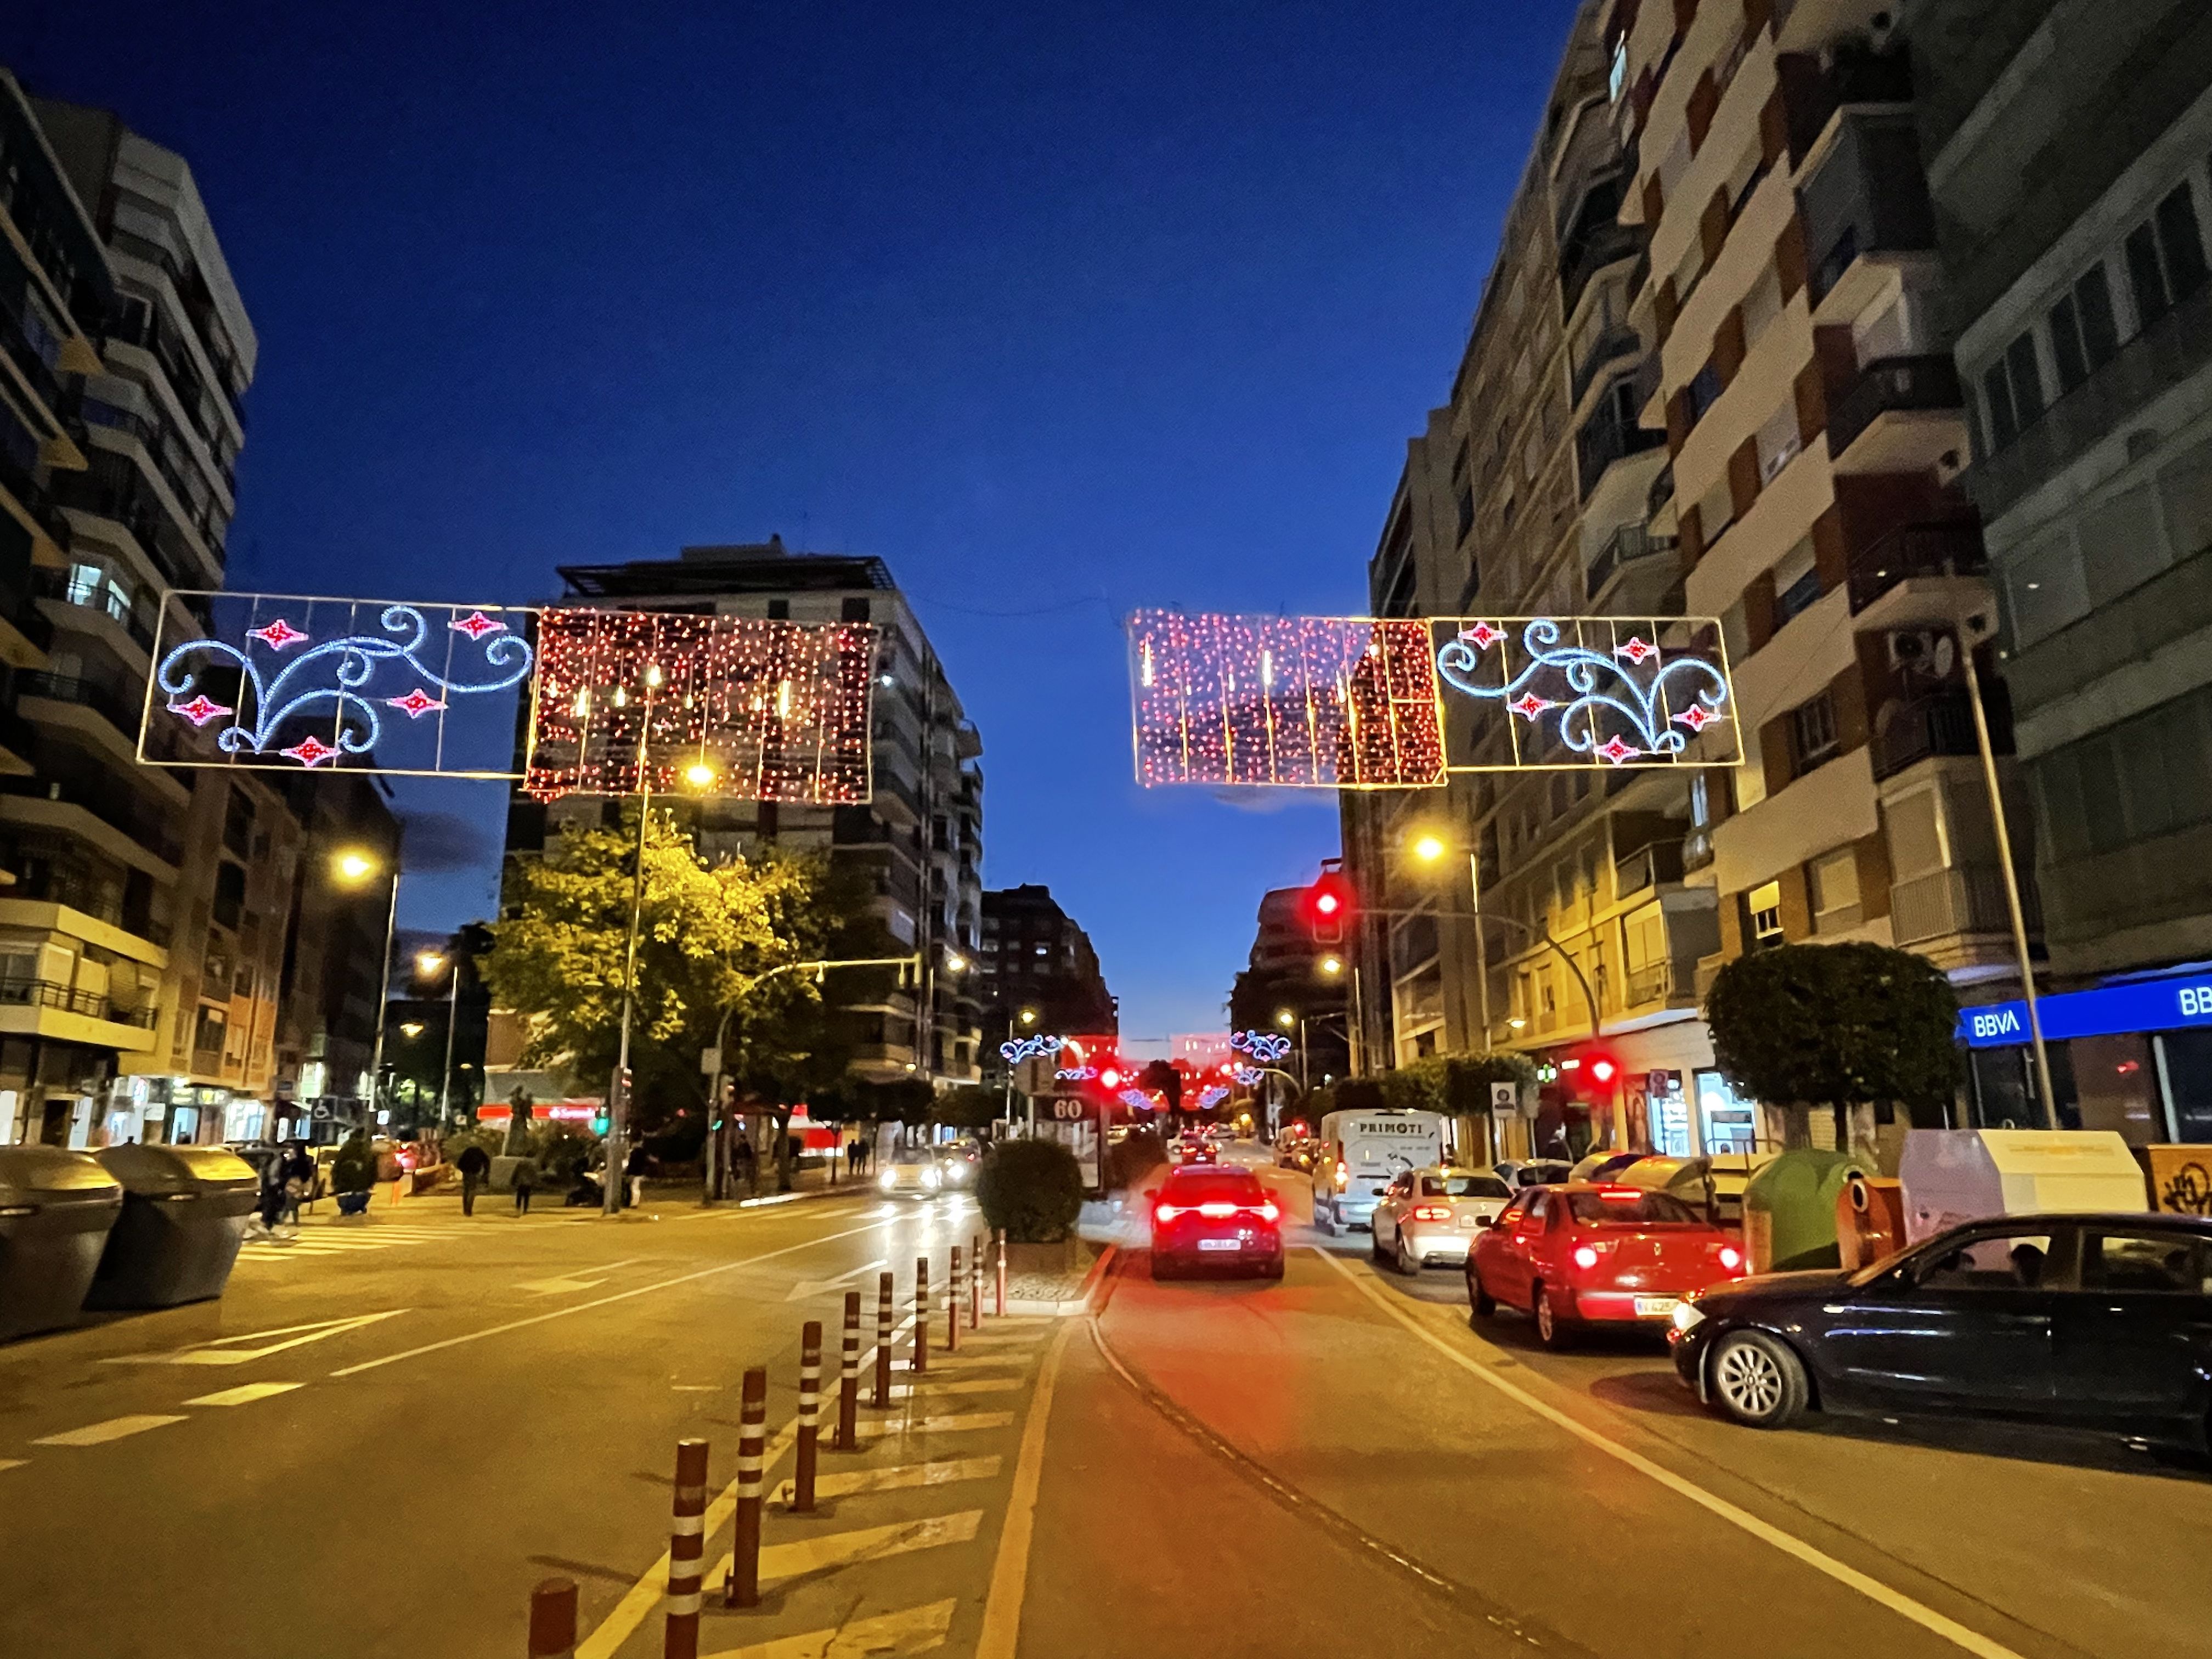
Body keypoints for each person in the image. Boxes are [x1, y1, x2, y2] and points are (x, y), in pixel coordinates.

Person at [455, 1139, 492, 1216]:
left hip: (466, 1173)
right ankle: (469, 1210)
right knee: (472, 1190)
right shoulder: (480, 1152)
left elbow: (459, 1163)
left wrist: (463, 1170)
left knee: (466, 1190)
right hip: (475, 1172)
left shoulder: (467, 1152)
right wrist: (485, 1172)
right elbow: (487, 1162)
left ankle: (465, 1209)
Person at [511, 1150, 539, 1215]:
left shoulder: (520, 1164)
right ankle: (525, 1209)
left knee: (519, 1196)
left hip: (521, 1182)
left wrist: (513, 1181)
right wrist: (535, 1182)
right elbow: (534, 1175)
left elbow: (516, 1173)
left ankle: (518, 1208)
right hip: (528, 1183)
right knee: (527, 1197)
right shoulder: (532, 1165)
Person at [625, 1141, 650, 1210]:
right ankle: (633, 1203)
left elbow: (632, 1164)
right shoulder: (643, 1153)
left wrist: (629, 1173)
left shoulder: (634, 1153)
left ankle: (633, 1203)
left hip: (635, 1173)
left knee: (634, 1188)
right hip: (639, 1173)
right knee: (635, 1188)